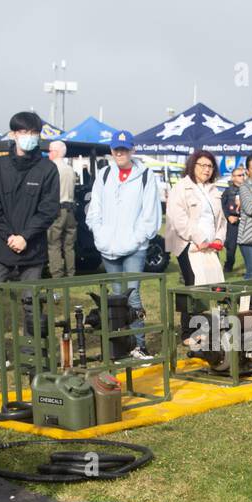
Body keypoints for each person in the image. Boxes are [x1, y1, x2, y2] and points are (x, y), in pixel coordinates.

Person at [0, 111, 60, 373]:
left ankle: (30, 353)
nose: (29, 138)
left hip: (32, 249)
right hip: (1, 248)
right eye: (24, 132)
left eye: (34, 133)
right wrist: (10, 237)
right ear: (13, 135)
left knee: (31, 303)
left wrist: (26, 236)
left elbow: (48, 210)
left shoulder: (47, 169)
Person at [86, 130, 162, 357]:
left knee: (133, 295)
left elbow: (151, 214)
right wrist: (99, 233)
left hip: (134, 248)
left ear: (132, 150)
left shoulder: (146, 175)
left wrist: (138, 238)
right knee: (115, 296)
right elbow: (94, 207)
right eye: (116, 149)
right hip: (107, 247)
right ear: (111, 151)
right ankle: (121, 344)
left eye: (124, 149)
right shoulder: (104, 174)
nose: (120, 153)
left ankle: (139, 344)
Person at [165, 150, 226, 339]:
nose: (207, 170)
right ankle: (188, 331)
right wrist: (199, 239)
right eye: (203, 165)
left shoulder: (214, 190)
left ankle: (207, 327)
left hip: (210, 247)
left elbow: (221, 220)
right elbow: (178, 218)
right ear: (193, 165)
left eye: (210, 166)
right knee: (193, 285)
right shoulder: (181, 188)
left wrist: (218, 239)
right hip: (188, 245)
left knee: (213, 286)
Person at [47, 140, 78, 278]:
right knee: (69, 245)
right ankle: (71, 273)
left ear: (56, 152)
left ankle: (57, 274)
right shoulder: (70, 169)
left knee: (54, 244)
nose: (48, 154)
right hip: (70, 210)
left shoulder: (51, 168)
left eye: (50, 151)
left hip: (57, 210)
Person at [221, 164, 245, 274]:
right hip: (233, 223)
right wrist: (228, 216)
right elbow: (222, 206)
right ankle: (228, 266)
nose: (242, 177)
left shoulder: (248, 190)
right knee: (231, 247)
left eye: (243, 175)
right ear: (233, 177)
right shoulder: (227, 191)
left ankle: (251, 267)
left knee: (247, 246)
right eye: (239, 175)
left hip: (246, 222)